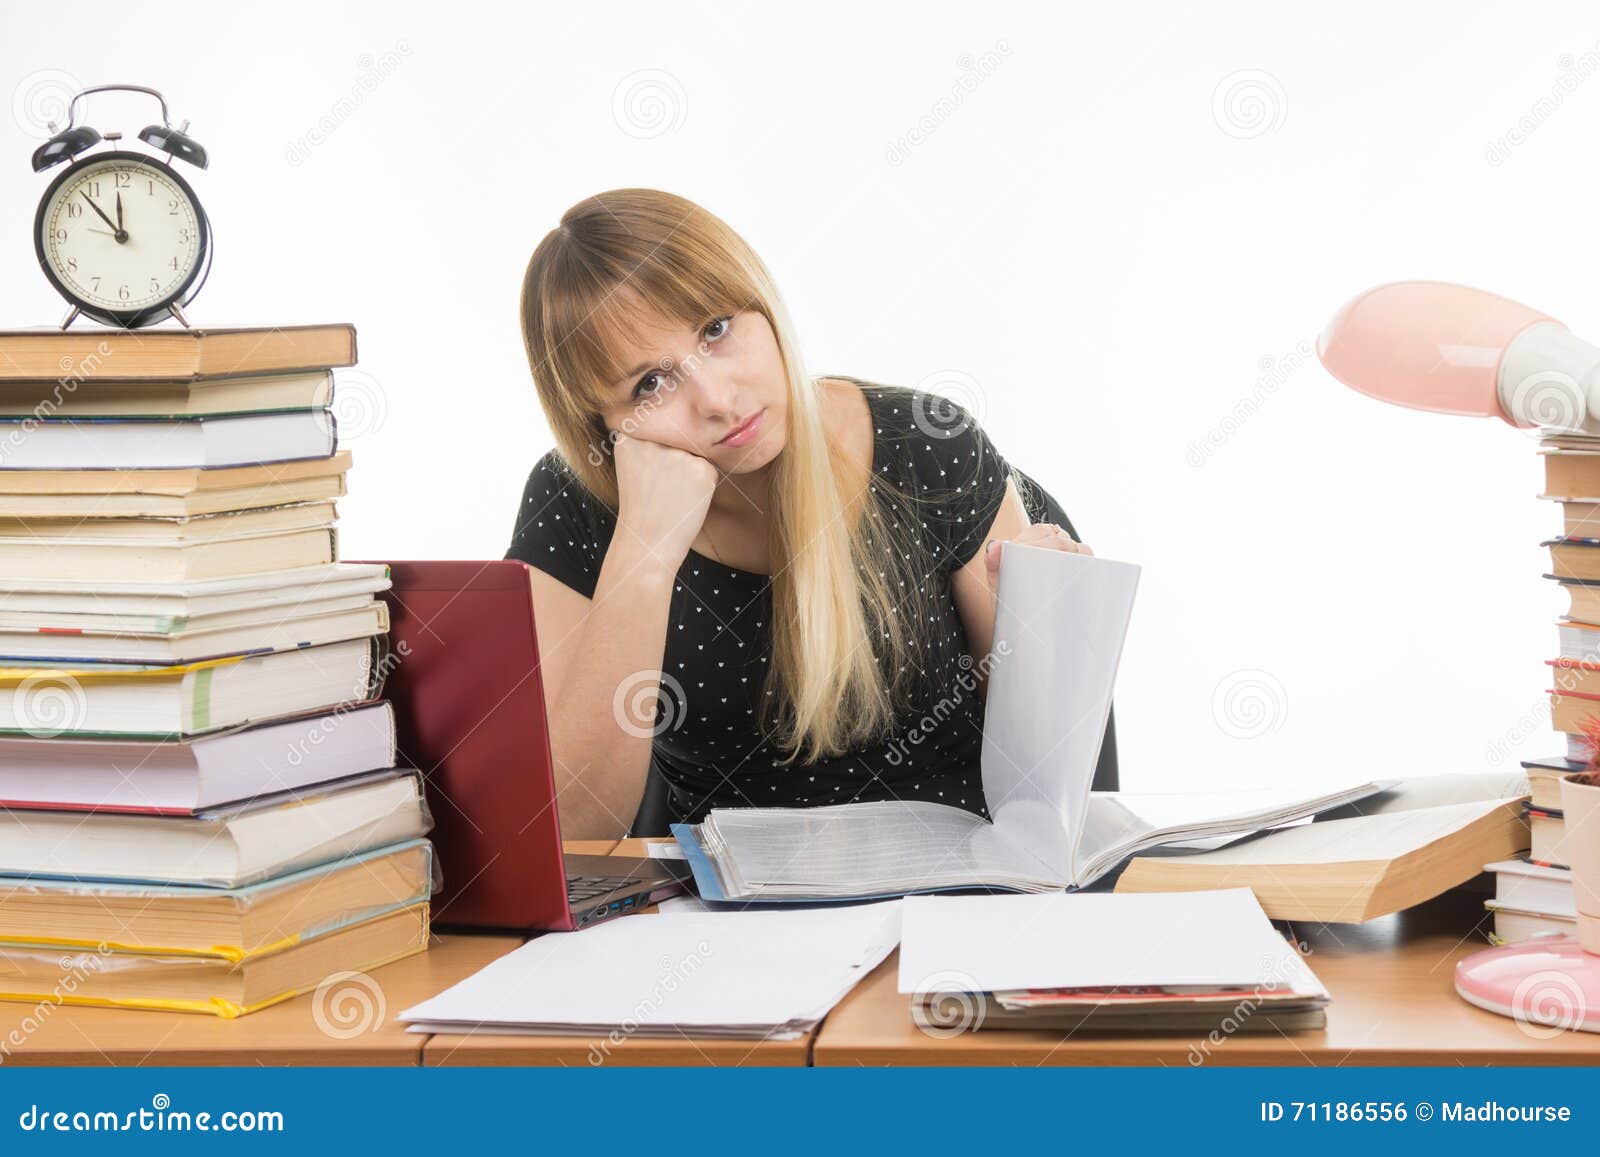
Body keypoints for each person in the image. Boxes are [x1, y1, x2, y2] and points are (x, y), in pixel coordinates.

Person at [506, 188, 1093, 840]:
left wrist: (1047, 633)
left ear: (763, 304)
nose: (718, 400)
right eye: (651, 383)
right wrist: (643, 554)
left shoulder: (927, 444)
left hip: (961, 879)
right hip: (724, 898)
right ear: (605, 426)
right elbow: (570, 830)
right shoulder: (574, 503)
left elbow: (1048, 782)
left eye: (716, 330)